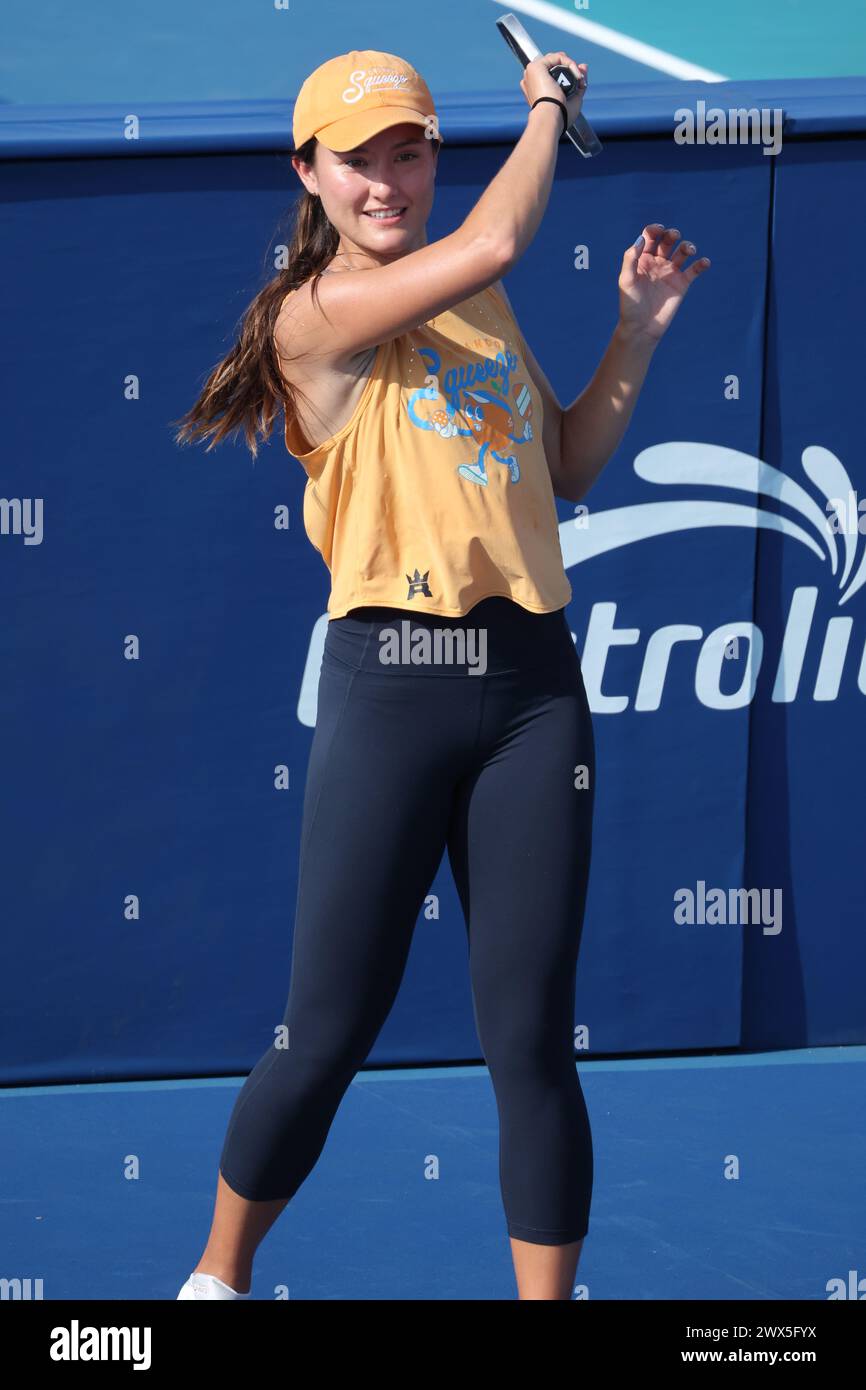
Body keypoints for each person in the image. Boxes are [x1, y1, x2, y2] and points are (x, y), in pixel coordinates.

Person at [172, 48, 710, 1302]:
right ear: (306, 173)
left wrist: (630, 336)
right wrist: (545, 107)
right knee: (324, 1036)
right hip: (392, 686)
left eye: (405, 150)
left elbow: (566, 468)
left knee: (529, 1041)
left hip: (531, 688)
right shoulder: (305, 317)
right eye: (355, 157)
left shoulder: (474, 299)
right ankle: (213, 1281)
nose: (384, 180)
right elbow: (493, 242)